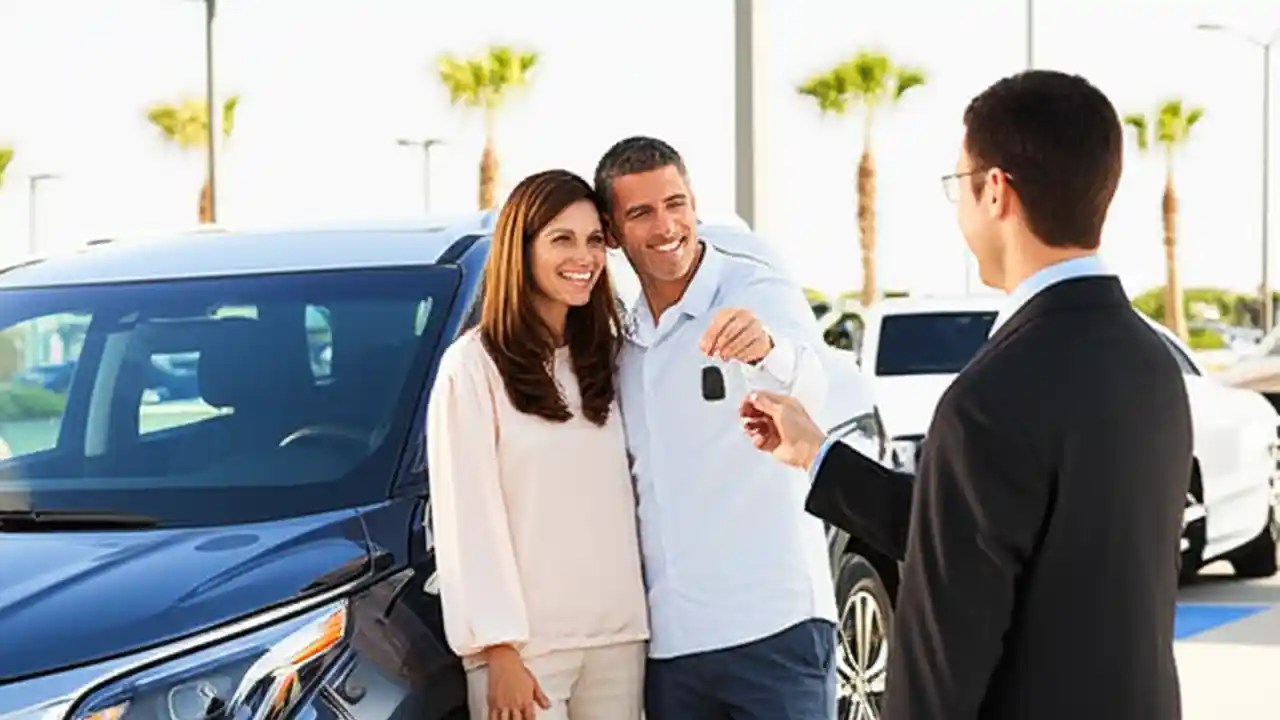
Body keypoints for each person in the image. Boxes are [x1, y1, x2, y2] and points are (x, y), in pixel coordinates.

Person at [740, 69, 1192, 720]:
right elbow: (1000, 539)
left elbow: (940, 659)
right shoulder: (1152, 364)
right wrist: (818, 455)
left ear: (996, 192)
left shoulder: (990, 396)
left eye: (959, 183)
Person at [593, 136, 837, 719]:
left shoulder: (754, 291)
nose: (666, 225)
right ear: (610, 232)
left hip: (774, 631)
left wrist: (769, 351)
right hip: (672, 648)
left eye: (676, 203)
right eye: (642, 212)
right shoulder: (624, 341)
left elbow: (812, 388)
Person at [426, 169, 650, 719]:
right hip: (525, 653)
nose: (585, 256)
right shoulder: (472, 367)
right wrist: (499, 650)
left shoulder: (612, 360)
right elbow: (467, 517)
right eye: (562, 239)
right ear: (521, 251)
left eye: (595, 239)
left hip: (619, 641)